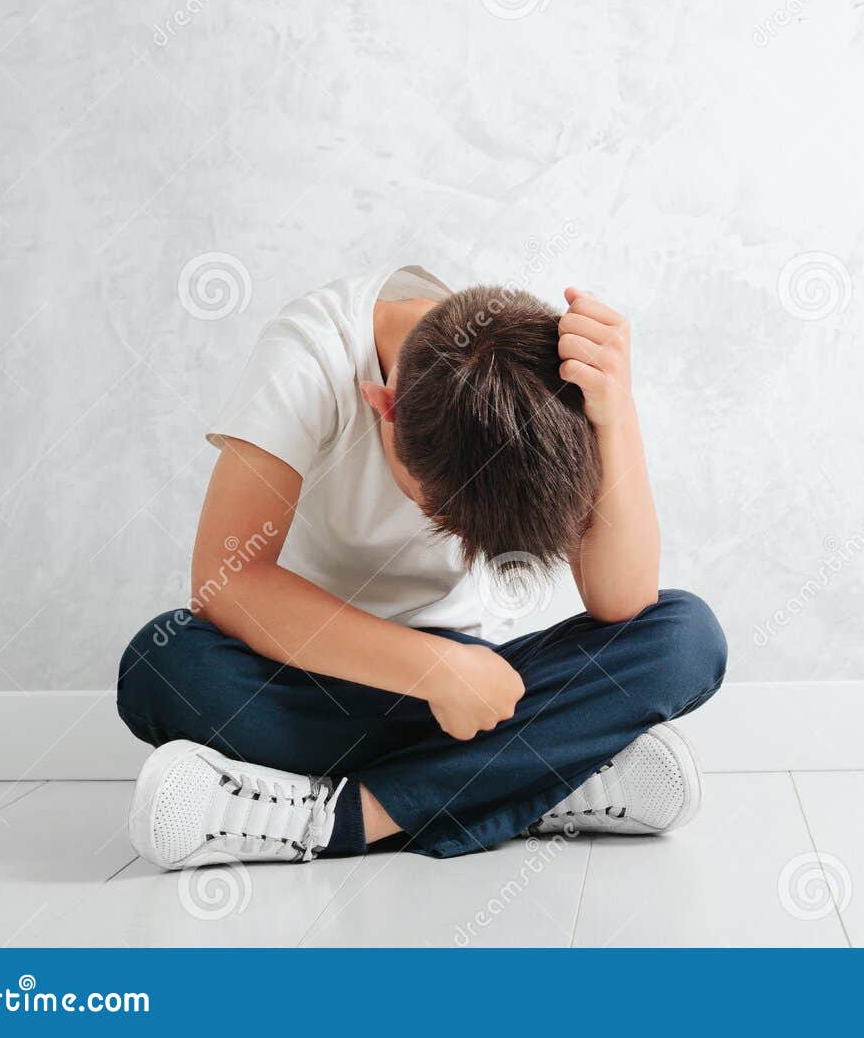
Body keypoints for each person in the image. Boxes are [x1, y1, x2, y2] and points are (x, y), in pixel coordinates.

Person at [115, 266, 726, 866]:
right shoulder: (310, 354)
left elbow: (620, 604)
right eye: (435, 508)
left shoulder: (528, 380)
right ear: (385, 406)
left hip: (476, 696)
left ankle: (332, 817)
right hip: (313, 677)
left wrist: (616, 414)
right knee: (163, 665)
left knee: (684, 638)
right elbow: (232, 583)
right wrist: (437, 671)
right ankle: (533, 782)